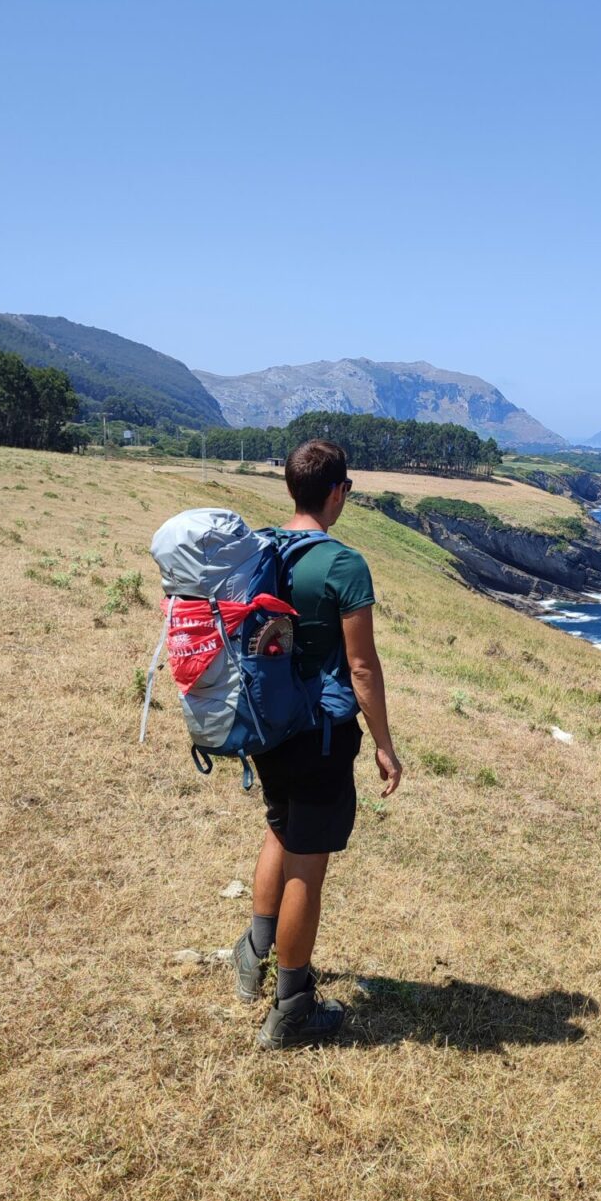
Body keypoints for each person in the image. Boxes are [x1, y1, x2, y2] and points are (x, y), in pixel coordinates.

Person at [231, 438, 403, 1048]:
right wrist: (384, 744)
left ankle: (253, 954)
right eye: (346, 489)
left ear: (289, 489)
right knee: (308, 864)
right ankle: (292, 1008)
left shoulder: (264, 549)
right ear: (338, 492)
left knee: (280, 827)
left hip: (267, 725)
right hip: (320, 736)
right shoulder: (343, 564)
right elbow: (362, 667)